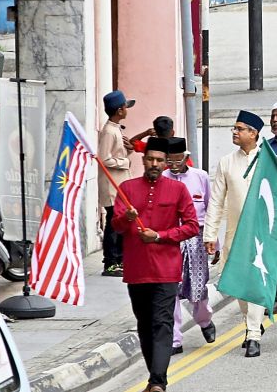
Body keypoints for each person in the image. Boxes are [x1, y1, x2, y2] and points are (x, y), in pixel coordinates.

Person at [113, 137, 200, 392]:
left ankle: (157, 382)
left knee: (162, 323)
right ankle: (155, 378)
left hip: (166, 270)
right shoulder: (127, 188)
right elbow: (116, 226)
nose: (154, 163)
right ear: (143, 160)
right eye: (150, 159)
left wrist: (160, 236)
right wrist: (127, 218)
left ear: (166, 163)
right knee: (144, 324)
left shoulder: (178, 190)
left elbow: (192, 226)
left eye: (159, 160)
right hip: (137, 270)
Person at [204, 111, 268, 357]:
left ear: (253, 133)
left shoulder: (268, 160)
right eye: (234, 127)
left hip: (261, 234)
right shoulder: (226, 162)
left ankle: (253, 334)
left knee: (255, 281)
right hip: (235, 233)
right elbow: (216, 200)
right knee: (240, 284)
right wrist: (210, 234)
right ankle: (252, 322)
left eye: (240, 128)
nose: (234, 132)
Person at [163, 138, 216, 354]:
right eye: (170, 161)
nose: (174, 165)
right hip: (172, 238)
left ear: (186, 157)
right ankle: (175, 339)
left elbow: (211, 208)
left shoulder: (200, 176)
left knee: (198, 287)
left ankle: (205, 321)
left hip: (197, 237)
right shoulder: (163, 179)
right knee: (172, 289)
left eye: (178, 160)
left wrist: (214, 240)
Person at [99, 90, 134, 277]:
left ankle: (120, 259)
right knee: (113, 225)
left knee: (120, 223)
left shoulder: (116, 129)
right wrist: (125, 162)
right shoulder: (109, 132)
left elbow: (117, 154)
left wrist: (128, 151)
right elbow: (105, 159)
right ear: (120, 110)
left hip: (119, 184)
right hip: (112, 185)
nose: (127, 110)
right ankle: (110, 262)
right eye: (125, 107)